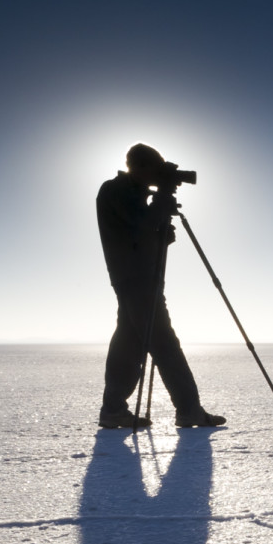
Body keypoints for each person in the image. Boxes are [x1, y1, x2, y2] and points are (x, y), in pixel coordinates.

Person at [95, 143, 225, 430]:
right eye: (155, 170)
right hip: (137, 281)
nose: (159, 177)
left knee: (128, 345)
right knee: (164, 343)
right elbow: (141, 225)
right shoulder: (115, 190)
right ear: (138, 167)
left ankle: (113, 410)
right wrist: (163, 197)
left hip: (136, 278)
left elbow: (139, 235)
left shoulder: (133, 194)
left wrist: (162, 235)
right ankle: (189, 410)